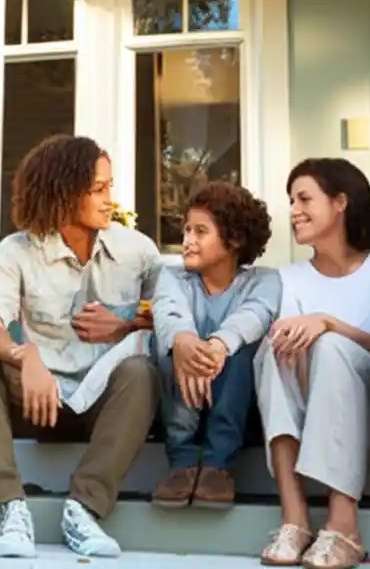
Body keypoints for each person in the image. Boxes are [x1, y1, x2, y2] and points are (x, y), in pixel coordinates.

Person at [0, 135, 162, 559]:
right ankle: (10, 508)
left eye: (109, 187)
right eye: (98, 189)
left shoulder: (136, 250)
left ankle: (83, 509)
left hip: (105, 402)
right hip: (39, 403)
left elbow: (176, 317)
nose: (109, 200)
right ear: (64, 193)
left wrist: (126, 323)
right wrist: (23, 355)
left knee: (142, 372)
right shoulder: (17, 251)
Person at [255, 158, 370, 568]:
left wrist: (331, 325)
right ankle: (295, 517)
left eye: (304, 199)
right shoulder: (289, 278)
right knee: (273, 347)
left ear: (341, 202)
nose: (293, 211)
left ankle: (344, 525)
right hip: (311, 417)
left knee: (331, 346)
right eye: (291, 201)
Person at [150, 181, 279, 510]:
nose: (187, 241)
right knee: (167, 344)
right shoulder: (173, 277)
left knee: (242, 349)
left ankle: (218, 467)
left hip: (236, 408)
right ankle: (182, 463)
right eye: (186, 231)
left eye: (200, 232)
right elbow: (168, 311)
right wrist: (185, 342)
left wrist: (219, 346)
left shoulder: (264, 281)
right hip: (180, 403)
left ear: (234, 239)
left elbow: (255, 314)